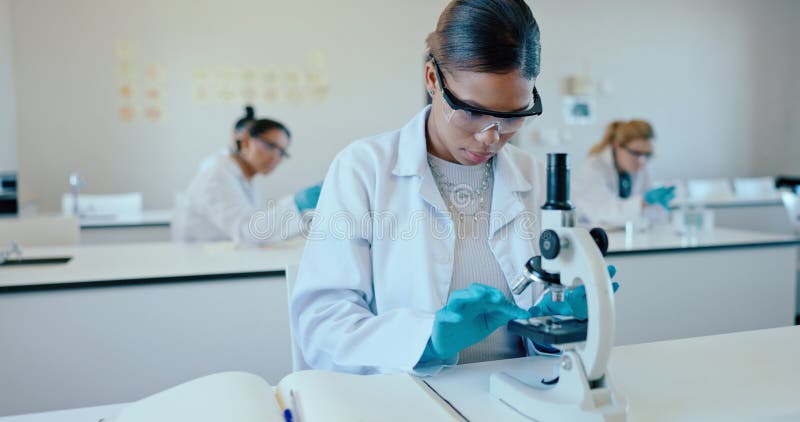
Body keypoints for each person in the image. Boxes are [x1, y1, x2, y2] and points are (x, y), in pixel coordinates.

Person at [290, 0, 618, 375]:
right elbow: (322, 325)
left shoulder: (530, 174)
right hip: (409, 403)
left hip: (518, 395)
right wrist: (427, 340)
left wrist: (549, 332)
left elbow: (546, 330)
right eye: (473, 111)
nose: (490, 137)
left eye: (513, 116)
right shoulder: (364, 169)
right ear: (432, 79)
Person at [174, 118, 322, 244]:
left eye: (282, 152)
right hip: (197, 264)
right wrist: (296, 203)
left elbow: (254, 225)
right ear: (245, 142)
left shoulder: (246, 178)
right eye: (271, 146)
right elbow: (246, 232)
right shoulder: (217, 176)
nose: (275, 157)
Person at [572, 120, 675, 228]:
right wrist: (643, 201)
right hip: (590, 237)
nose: (642, 161)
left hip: (626, 236)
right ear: (617, 146)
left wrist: (659, 206)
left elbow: (649, 214)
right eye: (636, 153)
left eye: (647, 155)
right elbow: (604, 213)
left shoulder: (641, 167)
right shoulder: (591, 169)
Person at [197, 105, 256, 174]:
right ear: (235, 133)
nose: (251, 141)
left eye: (255, 137)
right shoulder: (214, 162)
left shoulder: (251, 164)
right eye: (248, 135)